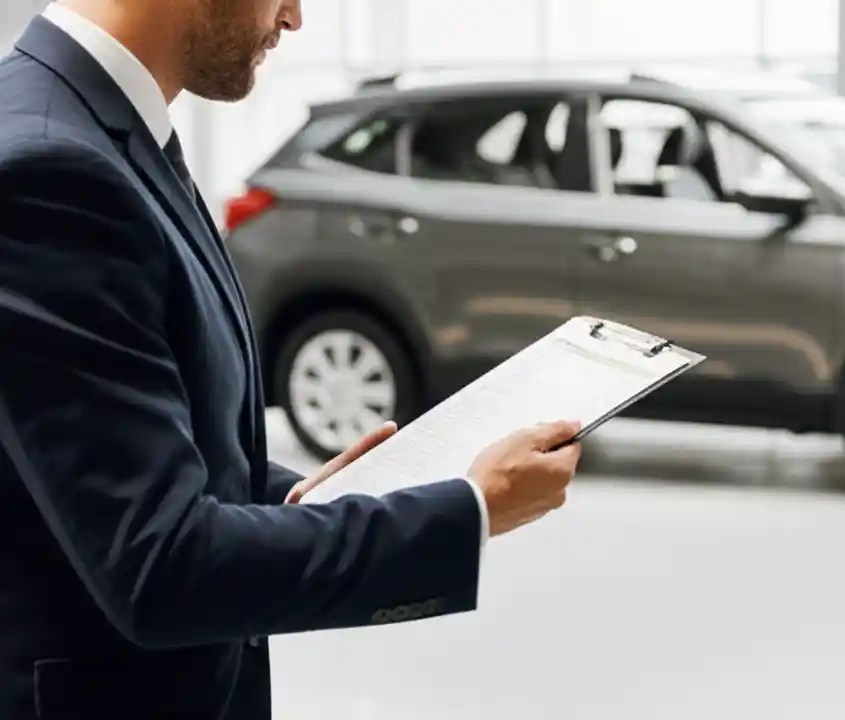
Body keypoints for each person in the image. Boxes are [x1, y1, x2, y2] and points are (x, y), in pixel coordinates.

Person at [0, 1, 583, 718]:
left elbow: (122, 456)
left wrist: (305, 499)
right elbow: (160, 567)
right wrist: (467, 510)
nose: (296, 16)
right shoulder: (52, 166)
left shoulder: (101, 130)